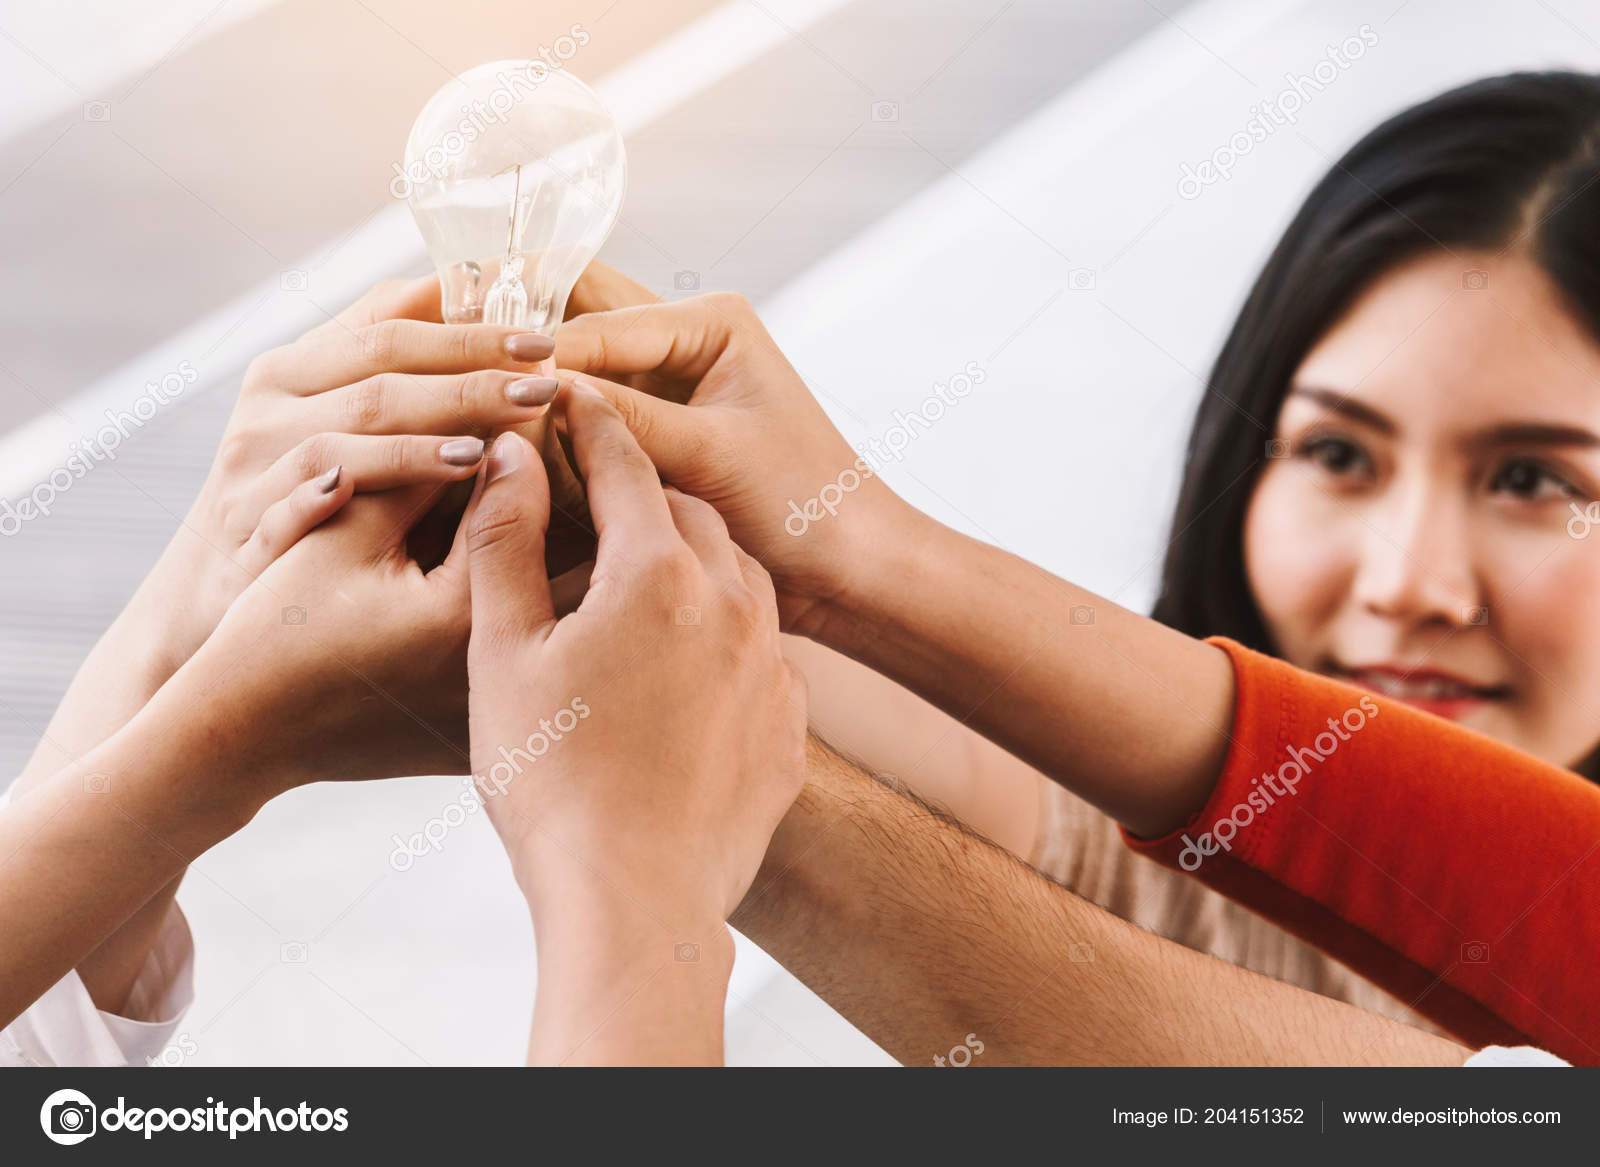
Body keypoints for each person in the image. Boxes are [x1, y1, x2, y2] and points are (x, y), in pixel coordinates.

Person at [558, 71, 1600, 1035]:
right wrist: (580, 494)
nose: (1404, 581)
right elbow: (758, 678)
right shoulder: (1160, 862)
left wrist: (628, 878)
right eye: (1334, 452)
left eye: (1535, 481)